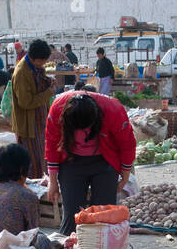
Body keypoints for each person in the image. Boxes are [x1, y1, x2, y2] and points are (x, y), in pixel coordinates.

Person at [44, 90, 136, 235]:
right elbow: (51, 143)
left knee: (103, 213)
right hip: (71, 161)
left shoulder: (113, 110)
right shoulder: (57, 109)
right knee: (72, 213)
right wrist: (53, 181)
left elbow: (127, 145)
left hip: (104, 161)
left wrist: (125, 176)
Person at [8, 39, 57, 177]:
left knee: (41, 159)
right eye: (42, 61)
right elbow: (25, 102)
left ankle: (42, 187)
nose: (43, 64)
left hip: (39, 121)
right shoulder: (21, 73)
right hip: (28, 126)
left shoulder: (34, 66)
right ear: (34, 58)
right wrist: (49, 92)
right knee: (31, 163)